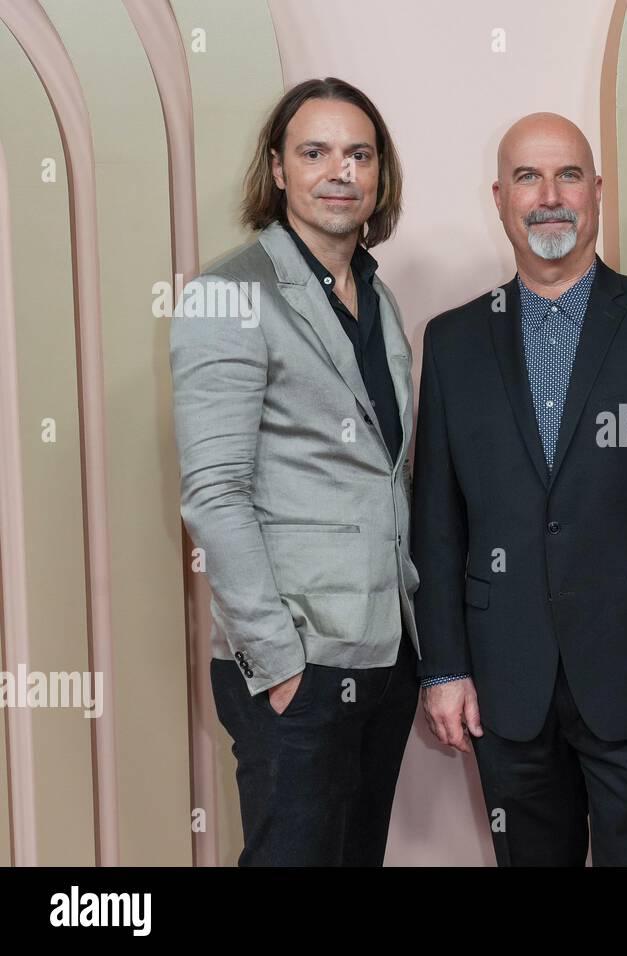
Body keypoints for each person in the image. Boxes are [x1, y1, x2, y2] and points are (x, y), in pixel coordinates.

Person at [411, 112, 627, 866]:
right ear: (500, 198)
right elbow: (435, 519)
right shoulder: (454, 341)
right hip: (505, 685)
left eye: (568, 175)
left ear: (598, 191)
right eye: (528, 177)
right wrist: (445, 667)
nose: (549, 195)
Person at [170, 77, 419, 866]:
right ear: (278, 170)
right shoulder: (226, 295)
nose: (339, 171)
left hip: (385, 655)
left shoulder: (379, 300)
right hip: (297, 669)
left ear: (378, 174)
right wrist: (278, 663)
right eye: (314, 152)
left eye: (358, 153)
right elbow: (214, 493)